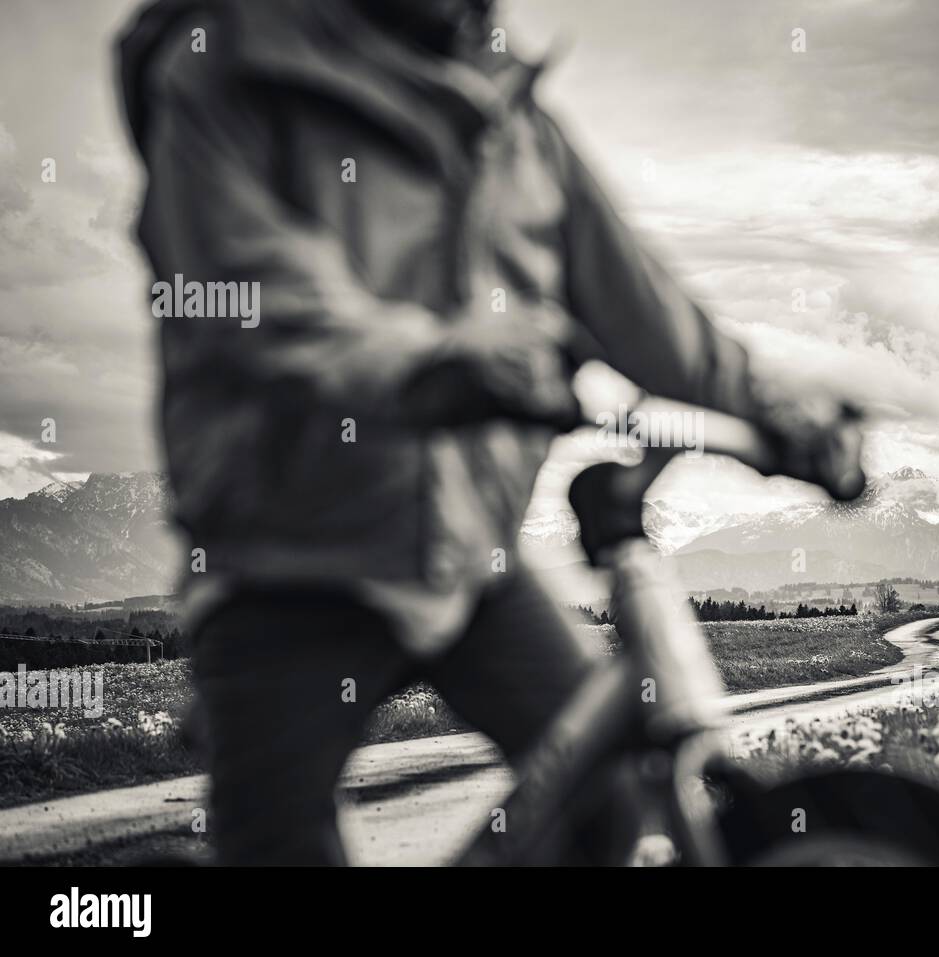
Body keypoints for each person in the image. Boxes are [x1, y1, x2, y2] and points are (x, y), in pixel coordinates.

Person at [117, 0, 866, 865]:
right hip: (285, 561)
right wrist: (436, 364)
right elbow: (252, 298)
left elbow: (654, 318)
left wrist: (782, 412)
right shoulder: (228, 68)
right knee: (279, 845)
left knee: (613, 807)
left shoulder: (517, 121)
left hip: (473, 562)